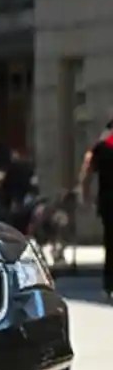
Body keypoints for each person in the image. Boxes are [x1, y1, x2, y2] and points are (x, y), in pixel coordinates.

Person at [78, 119, 113, 301]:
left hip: (108, 203)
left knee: (109, 243)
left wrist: (85, 197)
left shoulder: (101, 148)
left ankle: (108, 285)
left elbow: (87, 173)